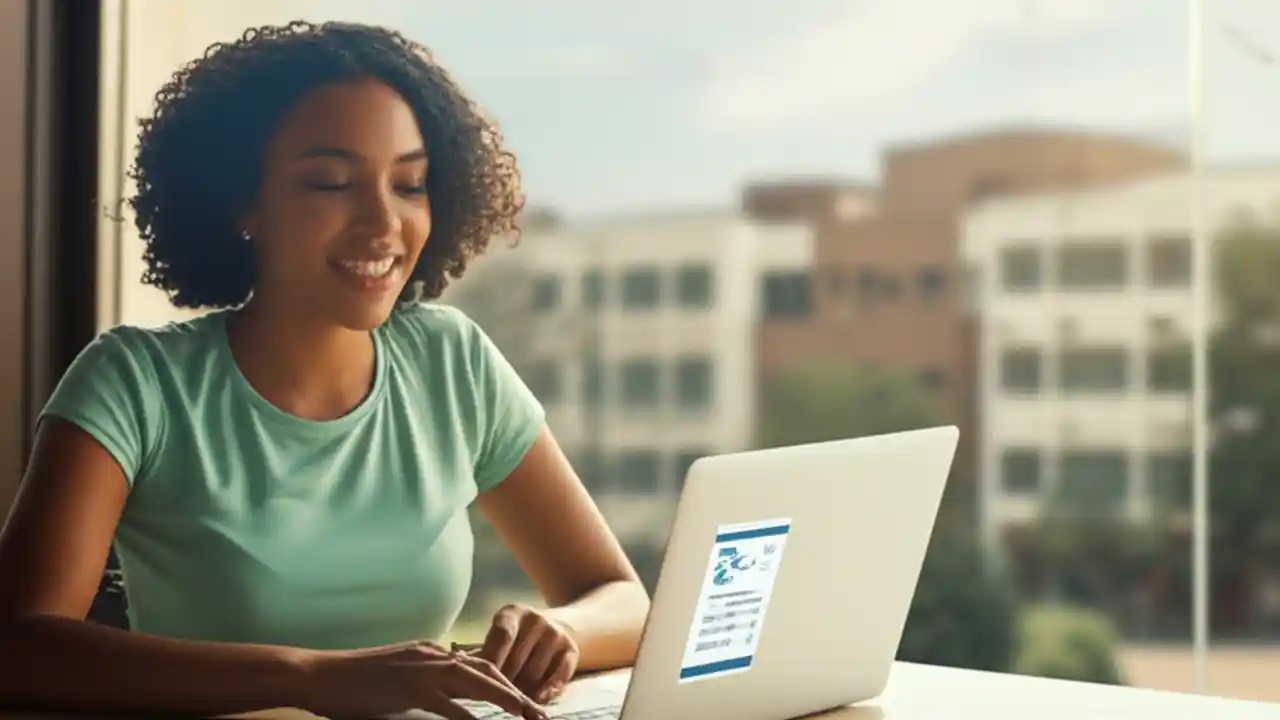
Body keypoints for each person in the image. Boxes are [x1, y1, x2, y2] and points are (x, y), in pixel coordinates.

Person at [0, 21, 649, 720]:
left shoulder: (450, 359)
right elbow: (18, 646)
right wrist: (312, 678)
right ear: (243, 202)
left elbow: (622, 598)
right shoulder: (135, 383)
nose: (383, 223)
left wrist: (560, 630)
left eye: (409, 184)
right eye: (332, 183)